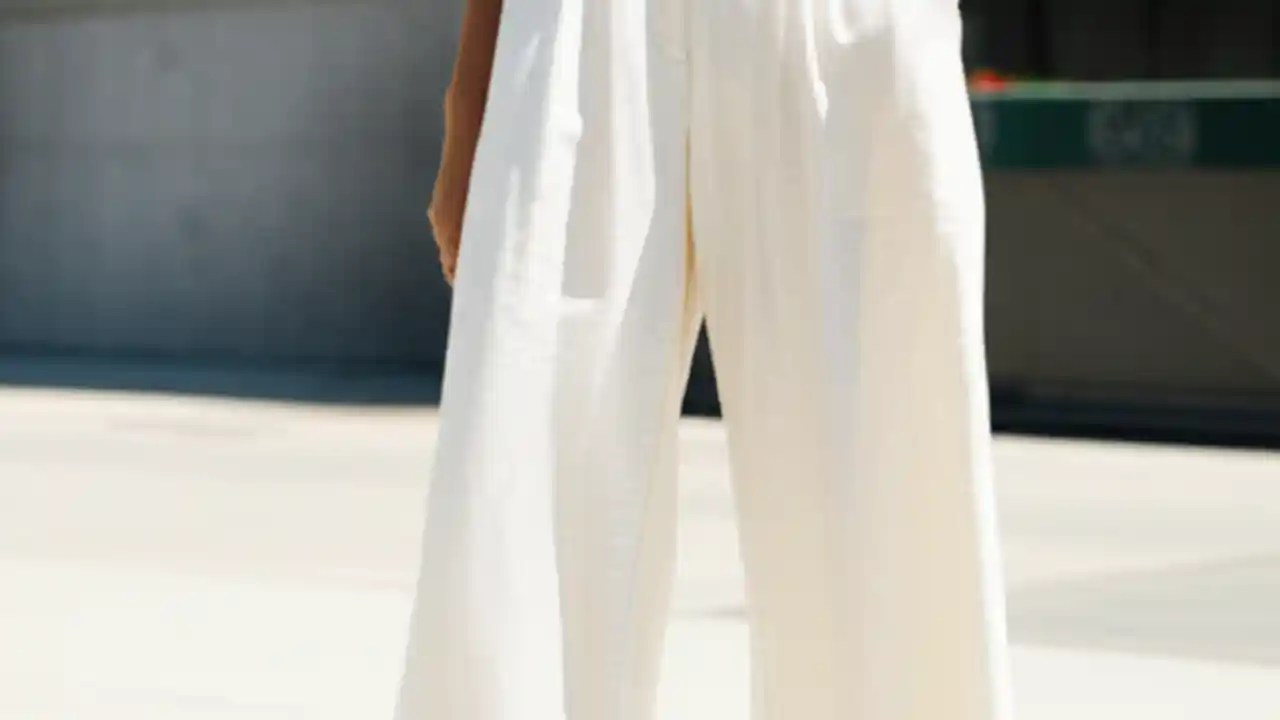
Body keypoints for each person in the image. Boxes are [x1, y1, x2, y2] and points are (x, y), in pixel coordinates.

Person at [395, 0, 1014, 718]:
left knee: (886, 497)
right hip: (587, 25)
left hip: (847, 27)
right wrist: (472, 89)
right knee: (527, 478)